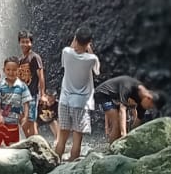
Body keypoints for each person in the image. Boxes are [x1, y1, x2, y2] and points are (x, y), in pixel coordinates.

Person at [54, 26, 100, 162]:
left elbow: (69, 51)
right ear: (89, 42)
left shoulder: (66, 52)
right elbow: (97, 71)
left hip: (64, 100)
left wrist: (75, 42)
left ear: (75, 39)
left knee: (62, 137)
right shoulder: (92, 59)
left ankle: (54, 165)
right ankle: (72, 168)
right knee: (77, 138)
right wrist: (88, 47)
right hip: (81, 103)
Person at [92, 75, 155, 142]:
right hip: (102, 93)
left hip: (114, 98)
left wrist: (133, 133)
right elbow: (122, 110)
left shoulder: (139, 100)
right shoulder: (127, 89)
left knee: (120, 123)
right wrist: (123, 134)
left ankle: (115, 143)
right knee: (116, 122)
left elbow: (137, 118)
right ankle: (111, 149)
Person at [0, 59, 33, 146]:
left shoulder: (22, 86)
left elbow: (26, 103)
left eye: (14, 70)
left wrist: (25, 116)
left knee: (13, 146)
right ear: (4, 70)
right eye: (8, 70)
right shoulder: (0, 85)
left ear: (19, 70)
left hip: (13, 122)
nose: (11, 72)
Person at [18, 30, 48, 134]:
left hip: (32, 95)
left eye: (27, 42)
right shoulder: (21, 60)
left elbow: (41, 76)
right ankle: (31, 144)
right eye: (23, 41)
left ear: (31, 43)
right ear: (19, 43)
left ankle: (34, 144)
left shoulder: (35, 57)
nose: (25, 44)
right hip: (22, 96)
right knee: (27, 123)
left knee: (30, 121)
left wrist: (43, 94)